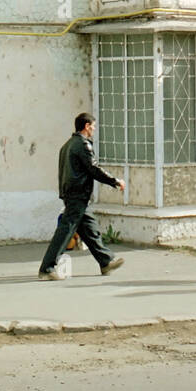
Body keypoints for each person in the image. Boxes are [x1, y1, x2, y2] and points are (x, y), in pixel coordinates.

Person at [38, 113, 125, 279]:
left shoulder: (67, 145)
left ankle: (105, 262)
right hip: (77, 194)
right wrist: (115, 181)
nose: (94, 129)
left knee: (90, 229)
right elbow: (94, 169)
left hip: (72, 193)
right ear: (86, 126)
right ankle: (47, 269)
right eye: (93, 126)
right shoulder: (83, 145)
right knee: (65, 231)